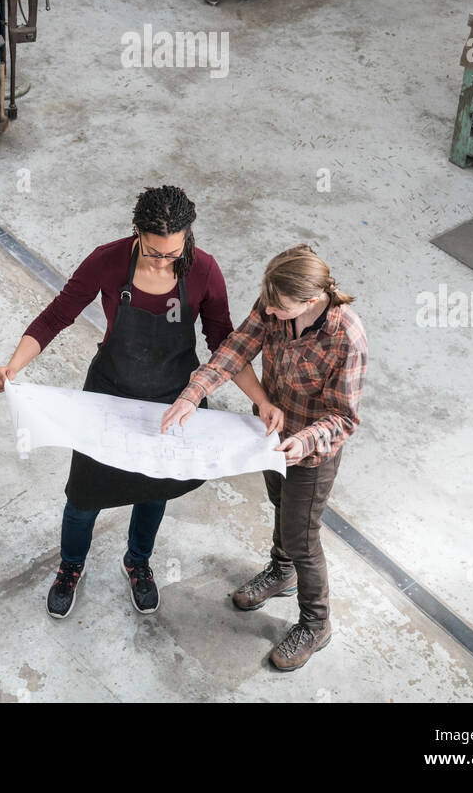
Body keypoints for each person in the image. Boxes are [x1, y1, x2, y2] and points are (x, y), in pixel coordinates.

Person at [0, 186, 272, 620]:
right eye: (154, 252)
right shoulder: (107, 260)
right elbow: (56, 316)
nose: (164, 261)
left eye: (173, 253)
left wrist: (261, 401)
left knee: (152, 486)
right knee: (85, 495)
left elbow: (224, 345)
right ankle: (71, 566)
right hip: (109, 393)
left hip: (171, 400)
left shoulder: (204, 272)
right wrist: (13, 368)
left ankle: (137, 561)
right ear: (137, 232)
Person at [161, 244, 368, 672]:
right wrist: (193, 392)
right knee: (280, 507)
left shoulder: (346, 336)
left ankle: (316, 622)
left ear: (311, 301)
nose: (269, 312)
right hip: (270, 435)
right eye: (267, 302)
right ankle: (281, 572)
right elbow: (238, 347)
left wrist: (306, 440)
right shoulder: (276, 299)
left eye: (279, 307)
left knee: (303, 537)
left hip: (311, 451)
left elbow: (345, 418)